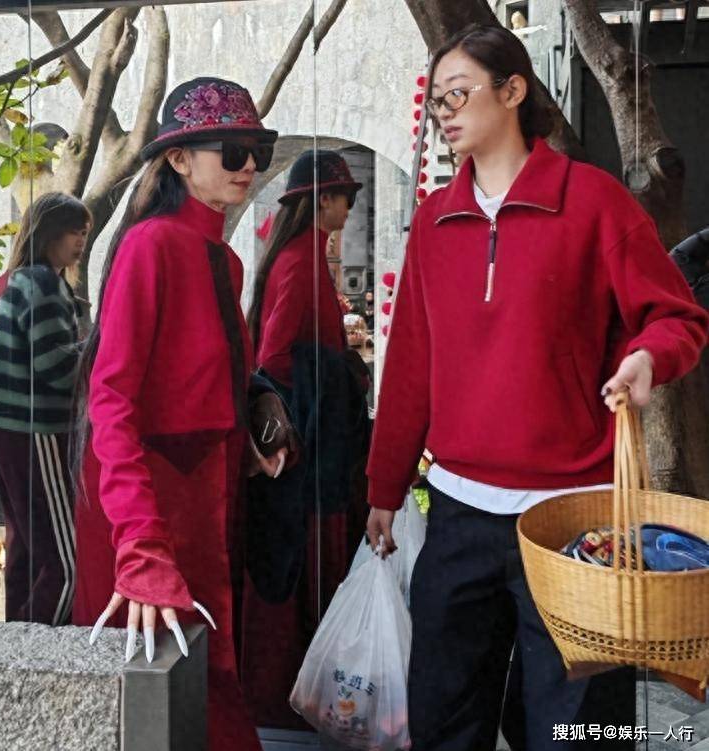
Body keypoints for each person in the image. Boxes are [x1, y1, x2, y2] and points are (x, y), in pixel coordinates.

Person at [365, 24, 708, 751]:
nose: (444, 113)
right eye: (437, 101)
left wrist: (647, 358)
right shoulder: (434, 220)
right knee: (443, 720)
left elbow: (676, 316)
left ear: (513, 90)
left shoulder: (594, 201)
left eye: (459, 94)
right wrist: (383, 487)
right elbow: (411, 366)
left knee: (578, 731)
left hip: (575, 522)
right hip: (457, 513)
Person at [71, 77, 294, 751]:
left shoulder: (226, 260)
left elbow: (203, 378)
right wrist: (140, 547)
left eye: (258, 150)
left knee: (206, 678)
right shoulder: (151, 246)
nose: (250, 165)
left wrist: (246, 431)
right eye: (233, 150)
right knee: (153, 697)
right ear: (178, 159)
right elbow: (111, 398)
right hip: (149, 504)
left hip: (208, 499)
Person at [242, 150, 371, 728]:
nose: (349, 207)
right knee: (304, 569)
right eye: (346, 196)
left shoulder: (305, 255)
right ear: (324, 200)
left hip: (319, 446)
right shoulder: (299, 259)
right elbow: (272, 358)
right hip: (307, 457)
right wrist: (339, 370)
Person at [0, 191, 90, 626]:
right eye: (72, 232)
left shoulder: (21, 280)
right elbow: (56, 370)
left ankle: (15, 645)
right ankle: (44, 648)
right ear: (48, 234)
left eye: (84, 232)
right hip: (36, 427)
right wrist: (98, 347)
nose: (80, 241)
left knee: (24, 550)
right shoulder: (43, 284)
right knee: (66, 559)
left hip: (9, 429)